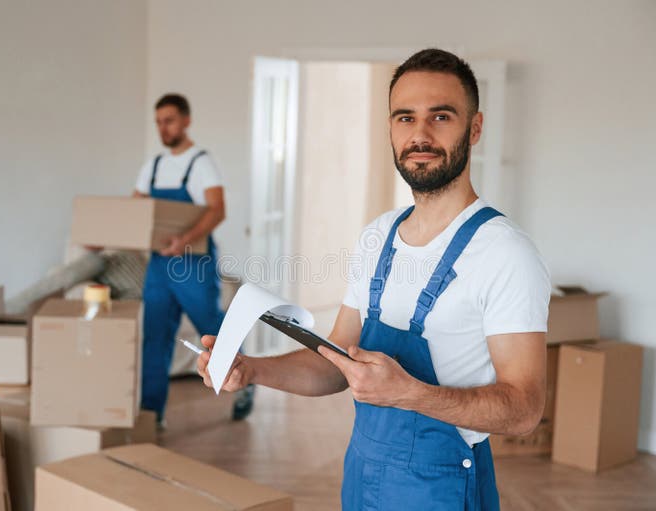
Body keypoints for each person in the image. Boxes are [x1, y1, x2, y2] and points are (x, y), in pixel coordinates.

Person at [196, 49, 550, 510]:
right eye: (405, 118)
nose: (420, 134)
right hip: (363, 478)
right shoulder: (377, 237)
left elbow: (524, 409)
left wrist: (411, 393)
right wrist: (252, 370)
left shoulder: (505, 252)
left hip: (441, 489)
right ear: (390, 129)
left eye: (440, 116)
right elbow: (333, 363)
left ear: (475, 128)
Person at [135, 93, 254, 428]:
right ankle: (152, 413)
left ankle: (248, 385)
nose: (163, 127)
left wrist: (183, 241)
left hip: (192, 262)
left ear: (186, 121)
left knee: (212, 331)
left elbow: (218, 210)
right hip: (159, 265)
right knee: (155, 336)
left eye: (169, 120)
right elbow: (133, 212)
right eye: (158, 121)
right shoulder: (153, 166)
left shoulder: (201, 162)